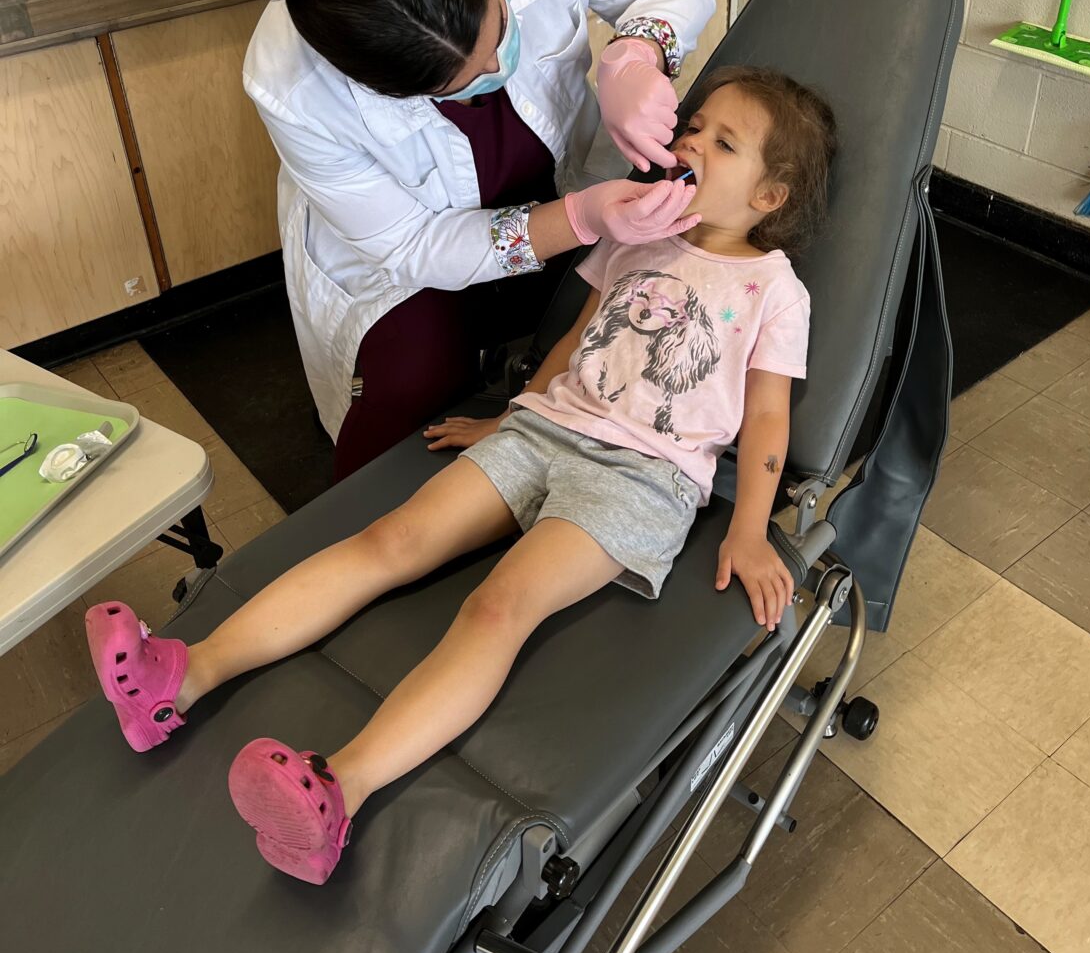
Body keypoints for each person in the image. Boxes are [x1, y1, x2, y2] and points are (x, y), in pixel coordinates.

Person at [84, 66, 837, 886]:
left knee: (497, 607)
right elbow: (578, 340)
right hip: (545, 430)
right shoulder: (634, 228)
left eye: (722, 143)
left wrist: (751, 528)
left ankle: (341, 790)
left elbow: (767, 420)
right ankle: (179, 675)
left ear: (771, 196)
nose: (690, 141)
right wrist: (515, 415)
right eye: (693, 126)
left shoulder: (774, 289)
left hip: (640, 478)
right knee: (389, 540)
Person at [221, 0, 716, 480]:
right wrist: (583, 219)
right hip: (416, 251)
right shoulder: (291, 83)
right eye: (466, 81)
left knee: (591, 339)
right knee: (407, 387)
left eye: (502, 27)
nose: (497, 68)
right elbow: (414, 243)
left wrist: (638, 53)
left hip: (560, 171)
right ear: (379, 86)